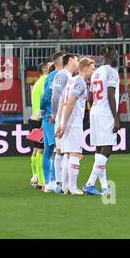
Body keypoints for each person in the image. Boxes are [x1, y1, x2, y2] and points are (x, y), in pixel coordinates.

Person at [83, 49, 121, 197]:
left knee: (99, 150)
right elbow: (111, 95)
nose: (117, 58)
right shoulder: (112, 72)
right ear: (111, 57)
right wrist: (116, 118)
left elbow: (90, 97)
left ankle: (104, 186)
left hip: (95, 111)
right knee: (107, 149)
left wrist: (93, 108)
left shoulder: (96, 73)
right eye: (116, 55)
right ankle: (90, 184)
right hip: (105, 113)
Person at [53, 56, 90, 195]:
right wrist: (64, 122)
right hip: (73, 122)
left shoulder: (71, 80)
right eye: (92, 69)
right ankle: (73, 188)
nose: (93, 72)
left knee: (67, 154)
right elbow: (71, 102)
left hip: (65, 120)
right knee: (74, 154)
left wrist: (61, 121)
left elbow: (63, 100)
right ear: (85, 68)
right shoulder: (80, 82)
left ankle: (65, 186)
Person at [39, 50, 71, 193]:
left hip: (47, 116)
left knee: (48, 150)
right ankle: (56, 182)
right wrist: (47, 111)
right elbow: (47, 96)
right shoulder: (57, 76)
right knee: (57, 150)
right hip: (52, 117)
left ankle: (48, 182)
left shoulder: (51, 76)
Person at [28, 59, 52, 189]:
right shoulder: (45, 82)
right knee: (43, 149)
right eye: (50, 66)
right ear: (44, 69)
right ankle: (43, 180)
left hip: (34, 118)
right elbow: (45, 101)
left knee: (37, 148)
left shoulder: (37, 82)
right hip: (41, 118)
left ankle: (35, 176)